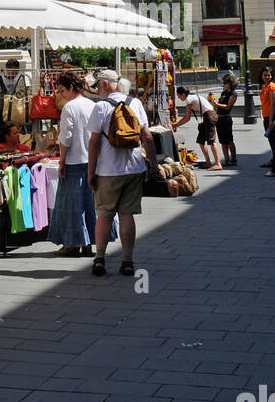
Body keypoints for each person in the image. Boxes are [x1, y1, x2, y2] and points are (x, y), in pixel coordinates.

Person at [87, 69, 158, 277]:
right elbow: (147, 136)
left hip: (108, 171)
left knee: (104, 215)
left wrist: (91, 172)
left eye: (98, 86)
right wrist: (153, 163)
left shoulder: (100, 107)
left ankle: (99, 258)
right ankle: (127, 261)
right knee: (127, 215)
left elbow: (93, 143)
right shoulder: (135, 103)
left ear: (106, 85)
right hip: (134, 168)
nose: (97, 90)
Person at [48, 71, 98, 257]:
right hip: (90, 160)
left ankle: (71, 244)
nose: (60, 94)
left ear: (70, 87)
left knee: (71, 206)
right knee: (88, 204)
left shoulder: (70, 107)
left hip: (74, 161)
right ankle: (87, 244)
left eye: (61, 90)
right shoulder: (92, 105)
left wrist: (61, 161)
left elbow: (66, 138)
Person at [174, 86, 222, 170]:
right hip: (208, 115)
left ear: (183, 94)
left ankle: (218, 164)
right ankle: (208, 162)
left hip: (209, 115)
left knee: (211, 140)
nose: (178, 97)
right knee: (201, 140)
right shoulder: (193, 96)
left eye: (178, 95)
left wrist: (175, 125)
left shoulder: (189, 99)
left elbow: (187, 117)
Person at [213, 74, 238, 167]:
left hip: (226, 118)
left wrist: (217, 105)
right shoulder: (223, 93)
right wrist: (215, 102)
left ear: (230, 83)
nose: (224, 84)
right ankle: (226, 160)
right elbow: (220, 103)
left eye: (225, 82)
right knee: (223, 141)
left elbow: (228, 107)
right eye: (223, 82)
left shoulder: (233, 93)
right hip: (219, 118)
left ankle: (234, 159)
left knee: (229, 140)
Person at [260, 67, 275, 168]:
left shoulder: (272, 87)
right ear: (261, 76)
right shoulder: (263, 86)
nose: (267, 77)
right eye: (265, 75)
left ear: (272, 76)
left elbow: (273, 104)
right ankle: (273, 161)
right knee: (271, 140)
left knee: (273, 141)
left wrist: (270, 120)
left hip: (271, 117)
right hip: (266, 116)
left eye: (269, 75)